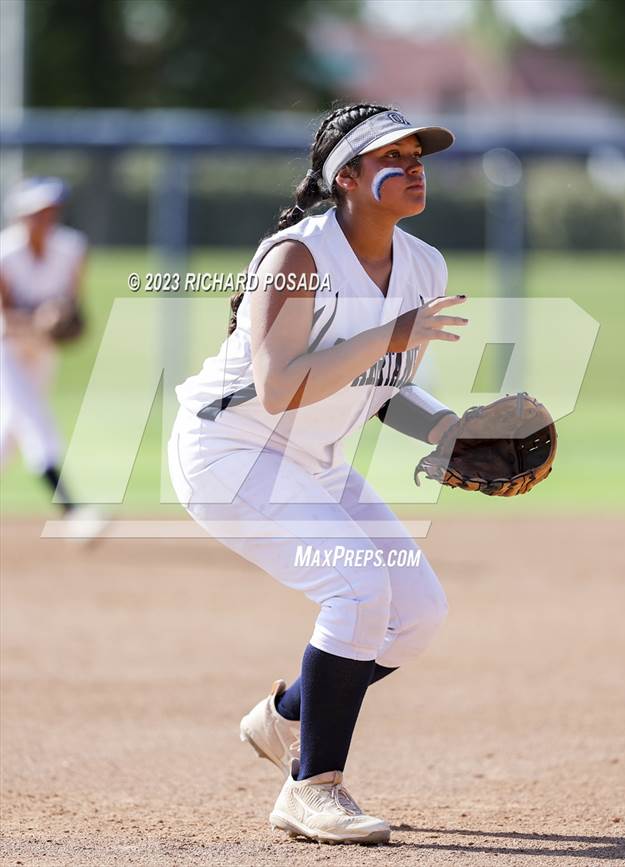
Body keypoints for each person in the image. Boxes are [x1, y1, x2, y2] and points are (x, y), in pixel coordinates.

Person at [168, 104, 468, 845]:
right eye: (391, 157)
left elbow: (380, 386)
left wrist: (445, 429)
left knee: (417, 612)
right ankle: (312, 787)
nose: (414, 166)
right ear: (348, 178)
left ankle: (286, 717)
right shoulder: (294, 259)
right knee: (357, 584)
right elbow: (278, 386)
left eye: (417, 154)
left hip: (318, 462)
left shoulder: (423, 265)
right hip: (231, 452)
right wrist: (388, 332)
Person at [0, 177, 105, 537]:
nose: (48, 217)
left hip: (42, 351)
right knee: (33, 422)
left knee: (9, 434)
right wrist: (38, 321)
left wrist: (63, 323)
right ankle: (72, 510)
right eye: (39, 211)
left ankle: (72, 512)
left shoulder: (71, 248)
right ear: (22, 215)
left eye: (51, 210)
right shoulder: (5, 253)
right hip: (6, 348)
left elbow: (75, 309)